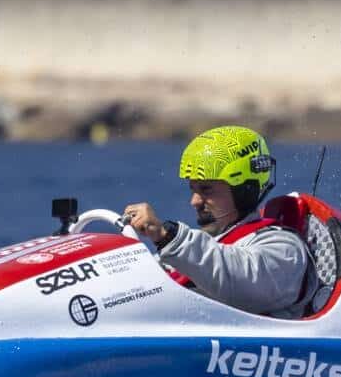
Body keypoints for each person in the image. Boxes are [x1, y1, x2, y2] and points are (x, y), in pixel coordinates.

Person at [124, 126, 313, 319]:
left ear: (244, 191)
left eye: (206, 190)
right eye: (193, 190)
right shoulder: (209, 246)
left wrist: (165, 236)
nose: (194, 201)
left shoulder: (284, 250)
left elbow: (238, 278)